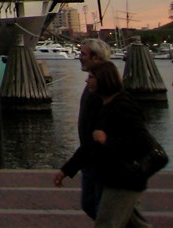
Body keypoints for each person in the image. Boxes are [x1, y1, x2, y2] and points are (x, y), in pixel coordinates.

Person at [55, 60, 153, 228]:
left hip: (123, 178)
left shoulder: (122, 105)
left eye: (91, 77)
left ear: (104, 80)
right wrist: (67, 169)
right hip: (110, 176)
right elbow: (90, 144)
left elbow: (143, 142)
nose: (87, 81)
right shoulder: (103, 105)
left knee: (106, 223)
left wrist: (108, 141)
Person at [56, 38, 113, 219]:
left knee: (100, 208)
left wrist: (69, 168)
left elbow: (98, 132)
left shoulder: (103, 90)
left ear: (96, 58)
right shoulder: (93, 86)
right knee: (92, 205)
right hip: (90, 157)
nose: (79, 57)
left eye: (83, 54)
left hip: (101, 160)